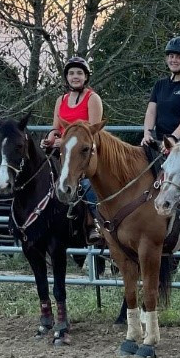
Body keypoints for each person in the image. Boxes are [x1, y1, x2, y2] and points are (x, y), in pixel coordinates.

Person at [42, 55, 104, 241]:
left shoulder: (93, 99)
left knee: (87, 184)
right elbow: (56, 127)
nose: (75, 76)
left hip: (84, 151)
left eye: (79, 73)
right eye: (71, 73)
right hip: (63, 150)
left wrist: (68, 143)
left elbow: (93, 131)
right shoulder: (61, 99)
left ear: (86, 77)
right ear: (66, 77)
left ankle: (95, 222)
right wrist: (51, 137)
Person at [140, 36, 180, 151]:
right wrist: (147, 134)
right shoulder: (160, 85)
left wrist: (173, 138)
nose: (174, 60)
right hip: (162, 138)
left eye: (179, 57)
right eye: (171, 56)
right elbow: (150, 112)